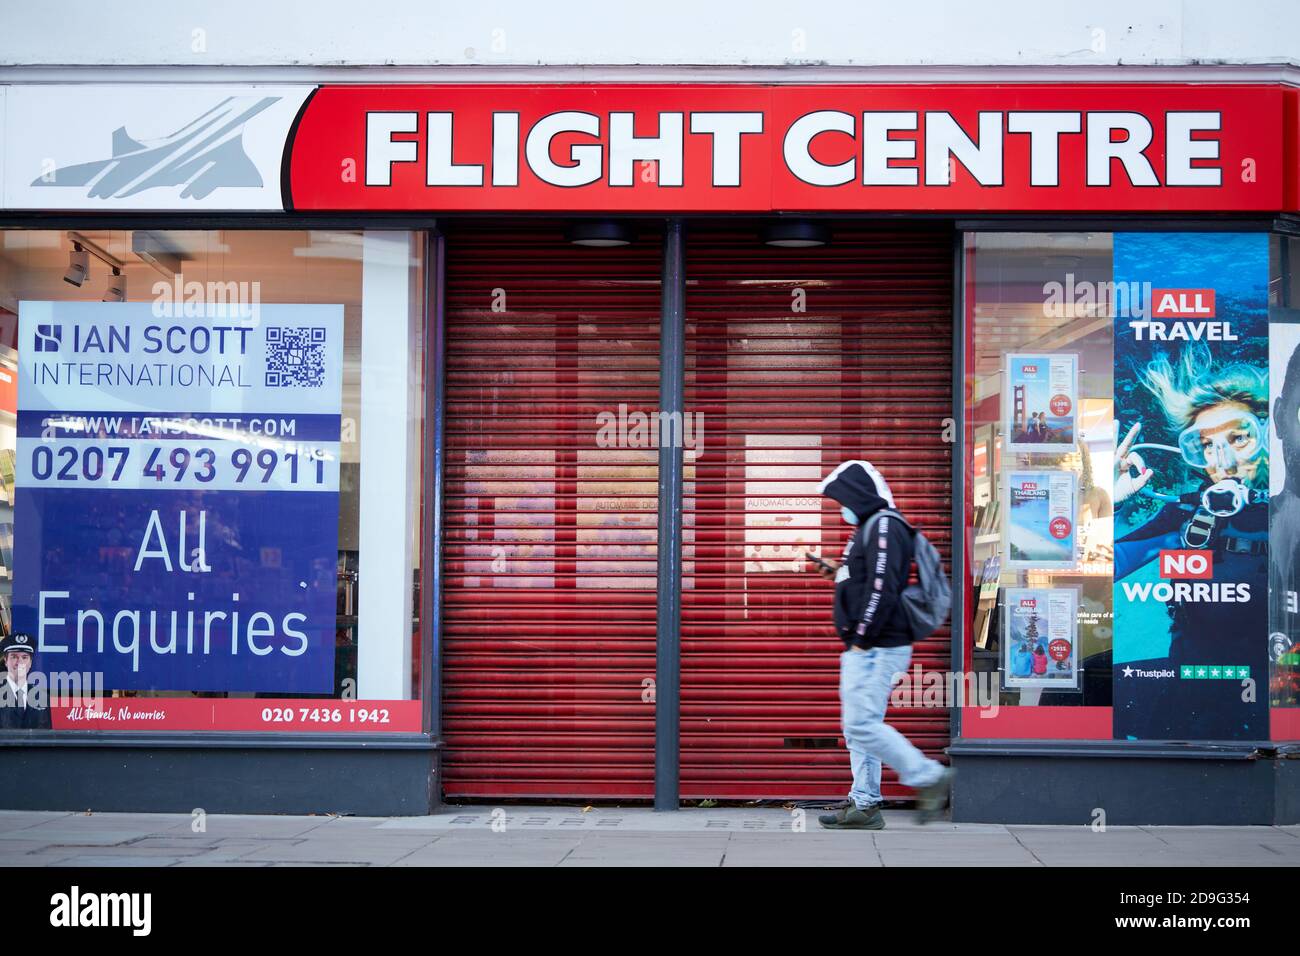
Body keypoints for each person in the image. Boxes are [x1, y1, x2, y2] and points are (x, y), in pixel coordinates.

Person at [813, 460, 954, 830]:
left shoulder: (885, 526)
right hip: (867, 645)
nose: (839, 508)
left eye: (841, 499)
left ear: (857, 495)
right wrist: (835, 571)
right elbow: (866, 581)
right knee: (858, 726)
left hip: (876, 645)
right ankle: (864, 803)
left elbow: (882, 586)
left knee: (861, 725)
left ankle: (927, 776)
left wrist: (861, 638)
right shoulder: (871, 527)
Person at [0, 633, 51, 730]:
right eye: (14, 657)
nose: (19, 662)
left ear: (30, 662)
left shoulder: (41, 696)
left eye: (24, 657)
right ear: (6, 661)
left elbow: (47, 738)